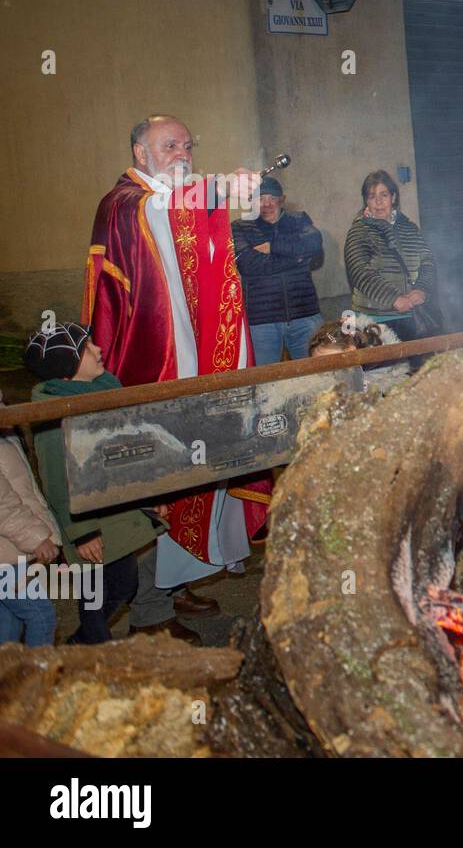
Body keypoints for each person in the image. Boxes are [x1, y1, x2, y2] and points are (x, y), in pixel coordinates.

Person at [83, 114, 268, 605]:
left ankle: (178, 585)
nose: (183, 156)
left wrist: (235, 191)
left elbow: (203, 218)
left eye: (188, 146)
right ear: (140, 154)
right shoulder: (122, 204)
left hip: (198, 357)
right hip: (149, 368)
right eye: (170, 146)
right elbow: (163, 211)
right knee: (160, 481)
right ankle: (151, 608)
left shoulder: (171, 196)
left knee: (203, 470)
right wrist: (223, 187)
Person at [24, 324, 196, 644]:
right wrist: (82, 531)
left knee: (124, 583)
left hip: (119, 509)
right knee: (97, 594)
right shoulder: (52, 411)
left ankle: (84, 644)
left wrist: (149, 494)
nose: (98, 349)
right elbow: (57, 480)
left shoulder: (106, 389)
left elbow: (131, 451)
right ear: (67, 370)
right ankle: (92, 649)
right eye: (87, 348)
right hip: (90, 519)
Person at [232, 176, 324, 364]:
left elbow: (314, 245)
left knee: (316, 376)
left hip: (304, 314)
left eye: (272, 198)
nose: (266, 204)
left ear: (282, 200)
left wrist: (272, 246)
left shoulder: (299, 220)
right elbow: (248, 265)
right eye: (260, 198)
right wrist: (298, 258)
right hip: (262, 321)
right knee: (266, 381)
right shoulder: (240, 227)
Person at [344, 170, 443, 340]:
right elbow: (359, 271)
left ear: (393, 197)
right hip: (374, 321)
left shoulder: (409, 228)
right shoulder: (359, 230)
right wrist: (394, 298)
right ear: (366, 200)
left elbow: (427, 261)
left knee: (418, 366)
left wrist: (421, 289)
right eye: (371, 196)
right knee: (384, 367)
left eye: (384, 194)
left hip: (412, 317)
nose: (378, 201)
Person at [0, 392, 61, 647]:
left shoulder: (6, 434)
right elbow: (2, 502)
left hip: (9, 550)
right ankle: (38, 685)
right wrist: (35, 537)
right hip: (7, 553)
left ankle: (9, 683)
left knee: (9, 624)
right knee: (41, 617)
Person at [308, 316, 408, 393]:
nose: (328, 372)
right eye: (321, 367)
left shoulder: (384, 378)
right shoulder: (330, 384)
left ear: (351, 351)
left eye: (333, 362)